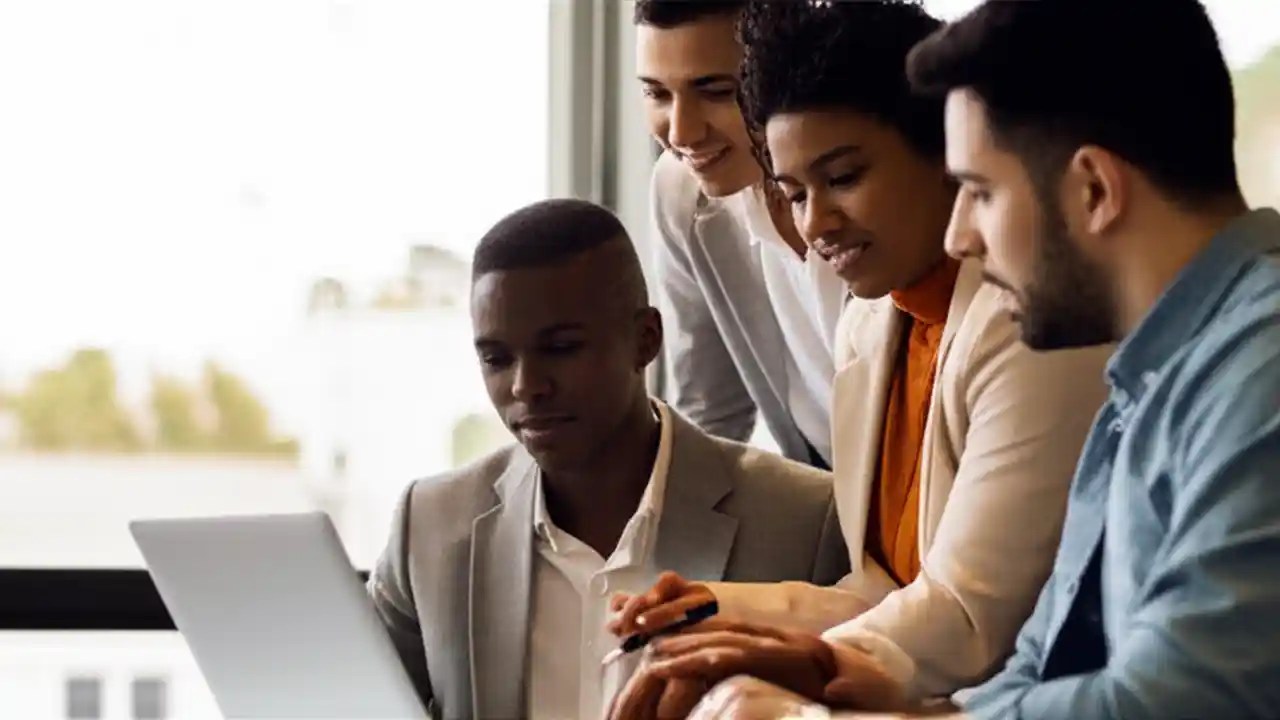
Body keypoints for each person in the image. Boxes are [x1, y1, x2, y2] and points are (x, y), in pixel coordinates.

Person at [615, 0, 1280, 718]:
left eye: (980, 192)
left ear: (1093, 190)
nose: (961, 235)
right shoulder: (1153, 377)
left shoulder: (1258, 372)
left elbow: (1187, 696)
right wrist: (842, 684)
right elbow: (1038, 662)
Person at [366, 199, 848, 720]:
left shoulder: (803, 520)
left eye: (561, 348)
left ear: (646, 340)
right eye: (497, 359)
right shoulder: (431, 528)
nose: (526, 386)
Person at [636, 0, 849, 467]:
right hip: (826, 493)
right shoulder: (681, 193)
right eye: (657, 94)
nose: (681, 132)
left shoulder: (868, 179)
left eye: (715, 90)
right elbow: (709, 411)